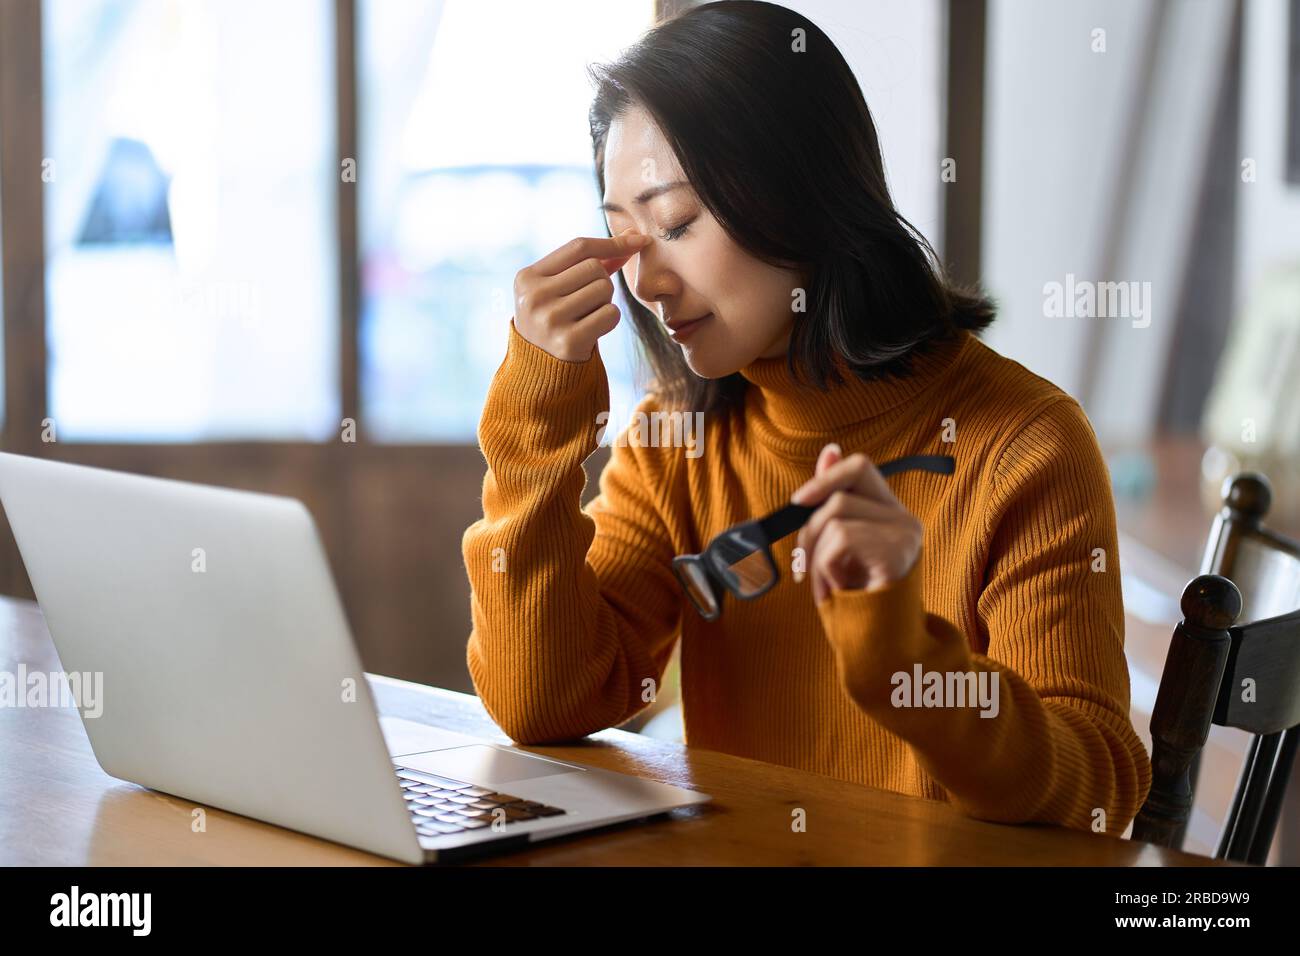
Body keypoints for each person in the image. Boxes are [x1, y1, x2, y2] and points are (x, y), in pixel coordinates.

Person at [461, 0, 1152, 835]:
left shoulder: (1024, 443)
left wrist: (905, 662)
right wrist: (538, 412)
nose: (645, 282)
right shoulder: (680, 437)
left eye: (677, 223)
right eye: (624, 239)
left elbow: (1099, 787)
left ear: (802, 190)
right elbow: (548, 702)